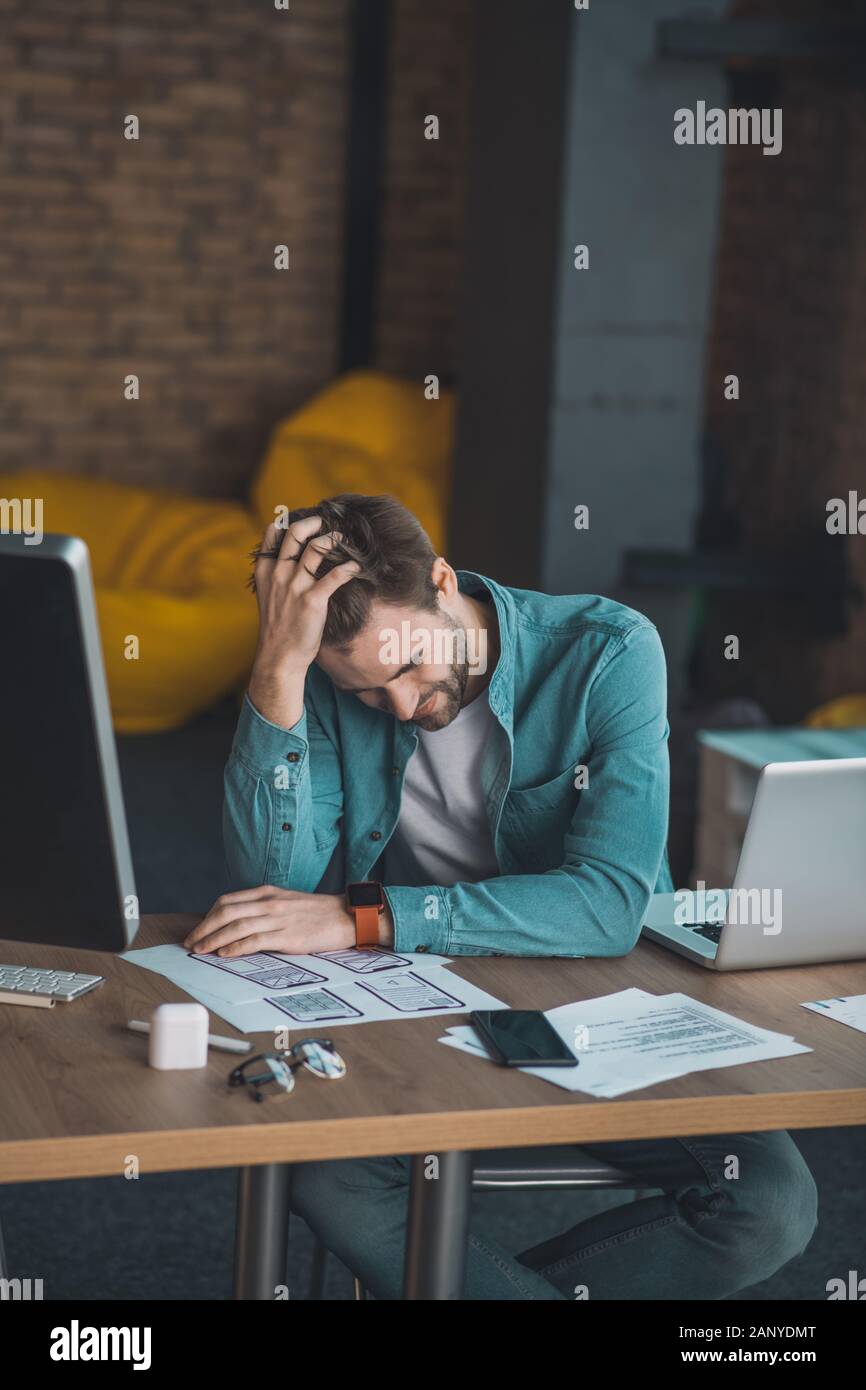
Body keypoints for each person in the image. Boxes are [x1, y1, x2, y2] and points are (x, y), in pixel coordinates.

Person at [184, 493, 817, 1300]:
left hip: (600, 1001)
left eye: (409, 666)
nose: (402, 707)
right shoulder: (319, 677)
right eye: (369, 693)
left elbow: (606, 906)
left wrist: (368, 916)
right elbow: (275, 882)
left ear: (444, 583)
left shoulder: (608, 651)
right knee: (329, 1181)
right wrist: (278, 669)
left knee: (769, 1206)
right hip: (422, 1003)